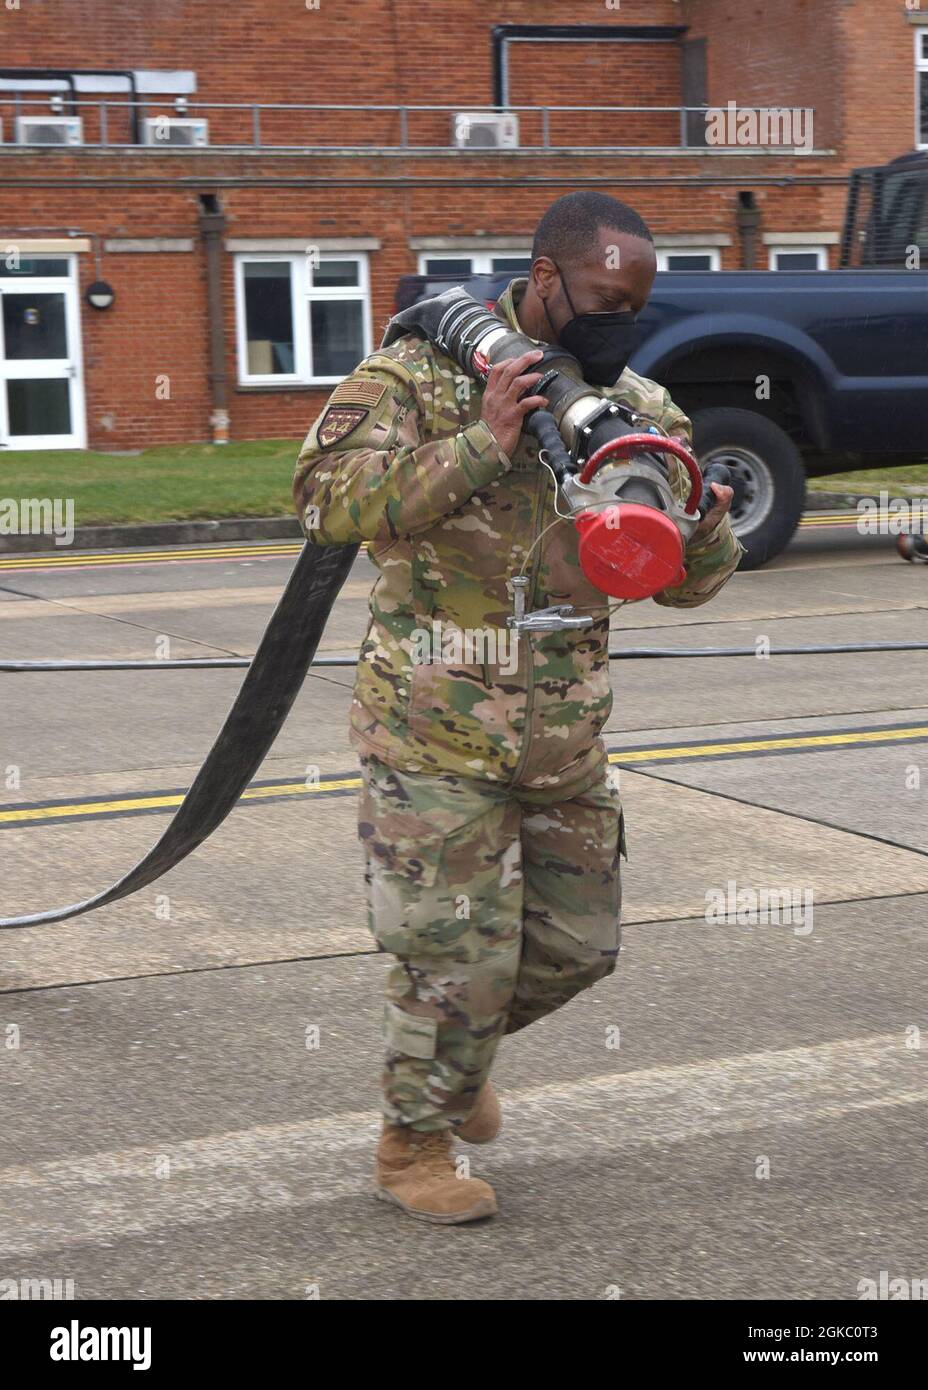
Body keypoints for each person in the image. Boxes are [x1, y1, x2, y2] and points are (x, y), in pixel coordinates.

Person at [293, 191, 743, 1224]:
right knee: (456, 955)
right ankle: (413, 1145)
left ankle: (457, 1061)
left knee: (578, 950)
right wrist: (486, 442)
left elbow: (679, 583)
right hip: (431, 729)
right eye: (600, 296)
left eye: (634, 302)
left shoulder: (635, 406)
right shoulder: (420, 374)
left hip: (564, 736)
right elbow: (324, 497)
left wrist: (706, 530)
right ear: (545, 277)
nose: (617, 318)